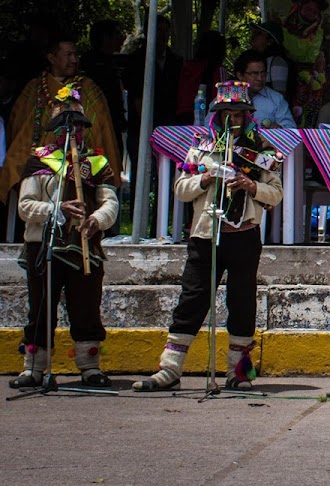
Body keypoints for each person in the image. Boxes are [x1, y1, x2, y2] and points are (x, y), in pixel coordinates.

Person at [133, 81, 284, 391]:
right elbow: (181, 189)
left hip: (243, 235)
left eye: (239, 114)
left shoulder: (262, 151)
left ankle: (238, 372)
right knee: (193, 298)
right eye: (227, 113)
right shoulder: (201, 147)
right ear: (217, 115)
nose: (233, 119)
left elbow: (276, 194)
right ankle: (171, 369)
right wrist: (206, 177)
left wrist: (250, 185)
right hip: (205, 234)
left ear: (248, 116)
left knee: (242, 302)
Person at [10, 85, 119, 389]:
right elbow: (26, 206)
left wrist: (97, 219)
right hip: (44, 245)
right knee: (40, 306)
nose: (74, 132)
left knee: (86, 306)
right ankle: (34, 366)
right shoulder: (39, 162)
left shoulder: (96, 163)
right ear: (56, 130)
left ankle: (89, 365)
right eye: (67, 127)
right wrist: (58, 209)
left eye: (79, 126)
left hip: (84, 245)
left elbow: (110, 202)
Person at [0, 35, 122, 206]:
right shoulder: (34, 88)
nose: (74, 60)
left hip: (80, 162)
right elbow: (19, 127)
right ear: (52, 58)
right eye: (68, 55)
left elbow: (103, 130)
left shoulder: (89, 89)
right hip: (40, 165)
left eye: (76, 55)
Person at [80, 20, 128, 158]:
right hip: (95, 124)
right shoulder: (89, 62)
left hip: (114, 122)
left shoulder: (112, 61)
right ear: (105, 38)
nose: (121, 38)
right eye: (117, 34)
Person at [232, 50, 296, 129]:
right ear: (240, 75)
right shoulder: (226, 98)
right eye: (254, 74)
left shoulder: (276, 99)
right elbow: (212, 130)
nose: (260, 78)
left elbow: (291, 131)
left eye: (263, 73)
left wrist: (279, 130)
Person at [250, 21, 290, 95]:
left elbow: (279, 97)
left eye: (259, 34)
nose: (254, 35)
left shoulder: (277, 63)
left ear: (270, 42)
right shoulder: (259, 61)